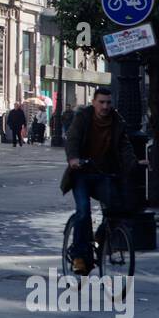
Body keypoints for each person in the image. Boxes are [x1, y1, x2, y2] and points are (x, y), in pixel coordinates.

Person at [60, 86, 138, 276]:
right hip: (82, 174)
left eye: (108, 103)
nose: (105, 106)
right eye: (101, 102)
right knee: (83, 212)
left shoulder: (116, 121)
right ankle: (79, 256)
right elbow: (73, 139)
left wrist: (134, 162)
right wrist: (73, 159)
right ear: (94, 102)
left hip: (103, 173)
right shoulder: (83, 117)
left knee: (115, 210)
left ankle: (100, 240)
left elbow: (124, 146)